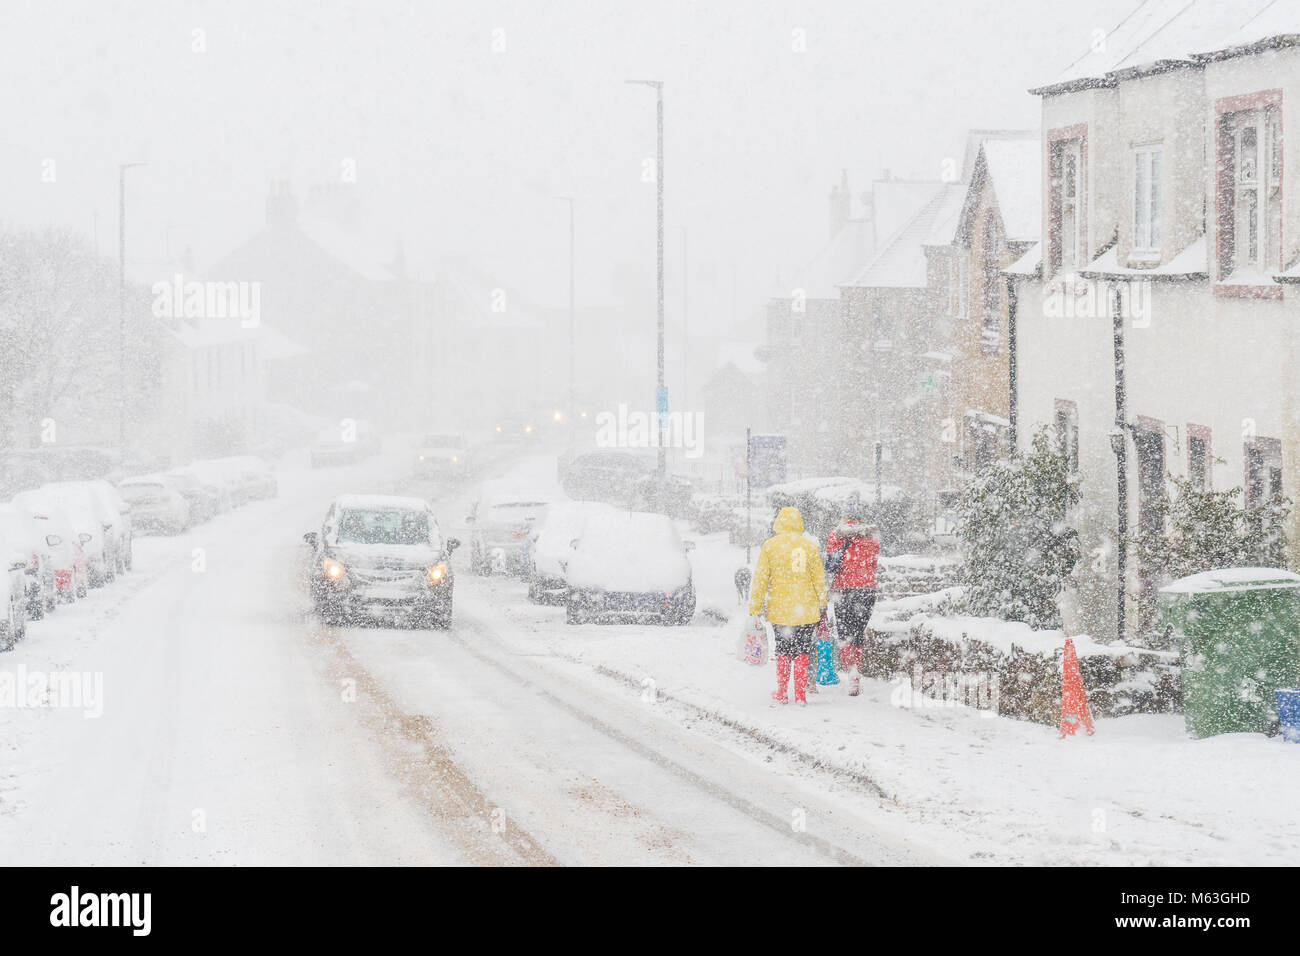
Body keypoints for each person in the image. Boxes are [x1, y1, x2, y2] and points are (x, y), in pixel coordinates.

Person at [747, 506, 828, 706]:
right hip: (806, 610)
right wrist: (823, 603)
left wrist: (755, 608)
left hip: (780, 610)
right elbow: (819, 578)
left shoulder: (770, 546)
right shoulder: (809, 547)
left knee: (782, 649)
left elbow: (760, 579)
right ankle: (800, 694)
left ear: (779, 523)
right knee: (802, 650)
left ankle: (782, 692)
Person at [825, 509, 880, 697]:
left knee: (844, 634)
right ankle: (857, 672)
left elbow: (831, 564)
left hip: (843, 590)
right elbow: (873, 563)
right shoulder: (871, 537)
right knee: (858, 633)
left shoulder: (836, 535)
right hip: (866, 589)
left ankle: (852, 673)